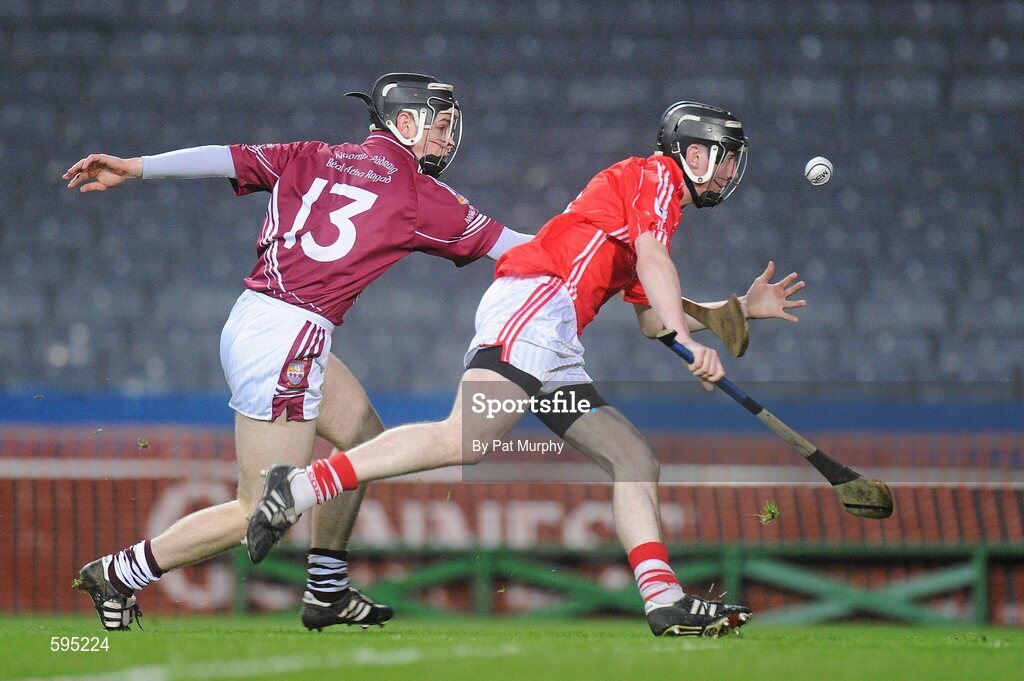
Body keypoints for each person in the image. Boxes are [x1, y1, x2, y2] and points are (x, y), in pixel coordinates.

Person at [245, 101, 808, 637]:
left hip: (557, 336)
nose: (730, 169)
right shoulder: (654, 178)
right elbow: (656, 266)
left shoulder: (652, 211)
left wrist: (736, 310)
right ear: (691, 152)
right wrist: (690, 338)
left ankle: (664, 601)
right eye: (722, 154)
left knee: (634, 459)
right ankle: (299, 486)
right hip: (538, 303)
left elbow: (651, 320)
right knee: (465, 437)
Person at [64, 73, 534, 632]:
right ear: (404, 124)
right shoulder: (418, 194)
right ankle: (120, 573)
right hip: (292, 336)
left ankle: (327, 589)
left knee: (364, 444)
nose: (447, 140)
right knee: (258, 508)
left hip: (254, 316)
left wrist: (137, 166)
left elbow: (224, 157)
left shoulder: (312, 154)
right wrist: (613, 256)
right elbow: (523, 250)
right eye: (440, 126)